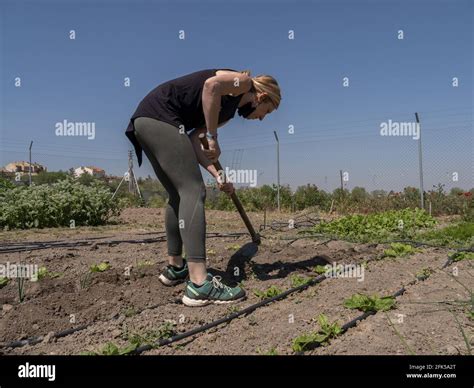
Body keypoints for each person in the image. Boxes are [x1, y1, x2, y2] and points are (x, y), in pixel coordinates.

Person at [125, 68, 281, 306]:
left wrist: (218, 174)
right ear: (262, 97)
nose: (261, 117)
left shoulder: (226, 114)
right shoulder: (244, 82)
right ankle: (199, 283)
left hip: (146, 120)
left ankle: (176, 267)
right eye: (266, 112)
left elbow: (193, 141)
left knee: (179, 195)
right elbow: (211, 86)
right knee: (193, 191)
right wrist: (213, 137)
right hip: (162, 116)